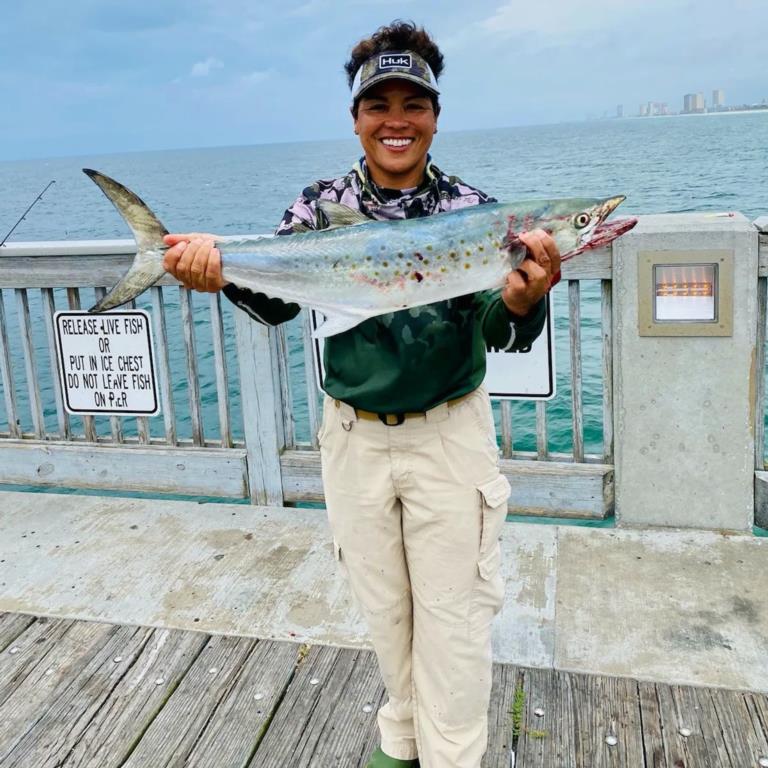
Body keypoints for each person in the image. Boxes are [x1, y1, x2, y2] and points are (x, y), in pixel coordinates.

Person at [162, 21, 560, 768]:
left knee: (455, 615)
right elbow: (279, 303)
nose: (397, 120)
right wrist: (217, 272)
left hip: (447, 435)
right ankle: (402, 739)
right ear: (356, 118)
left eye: (415, 103)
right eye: (380, 104)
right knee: (386, 610)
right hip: (351, 437)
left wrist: (523, 300)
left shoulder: (479, 213)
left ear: (436, 116)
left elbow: (500, 332)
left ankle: (452, 757)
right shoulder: (318, 207)